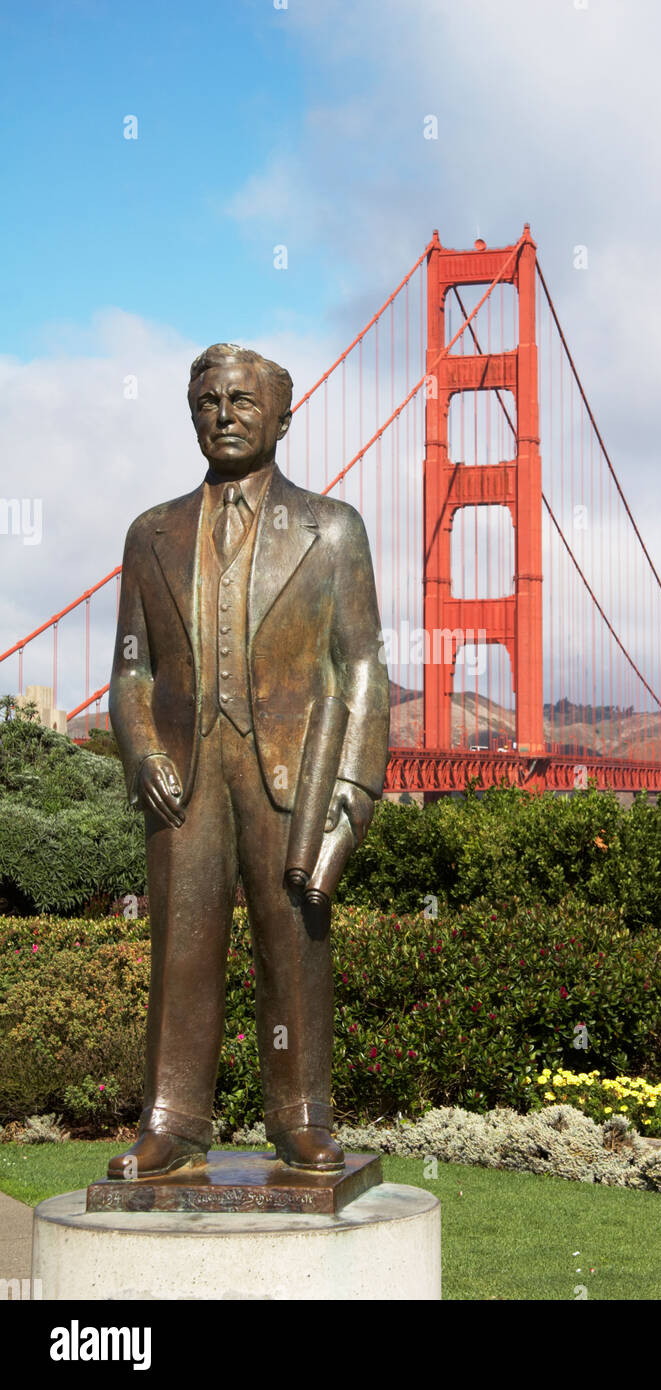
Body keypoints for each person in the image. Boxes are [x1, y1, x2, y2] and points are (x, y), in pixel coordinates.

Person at [107, 342, 390, 1178]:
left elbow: (365, 665)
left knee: (292, 941)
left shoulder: (333, 530)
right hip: (183, 776)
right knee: (179, 949)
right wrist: (143, 750)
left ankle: (300, 1115)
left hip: (287, 776)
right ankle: (171, 1120)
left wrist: (351, 790)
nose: (223, 415)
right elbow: (131, 667)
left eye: (241, 401)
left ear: (282, 417)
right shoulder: (150, 532)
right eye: (208, 403)